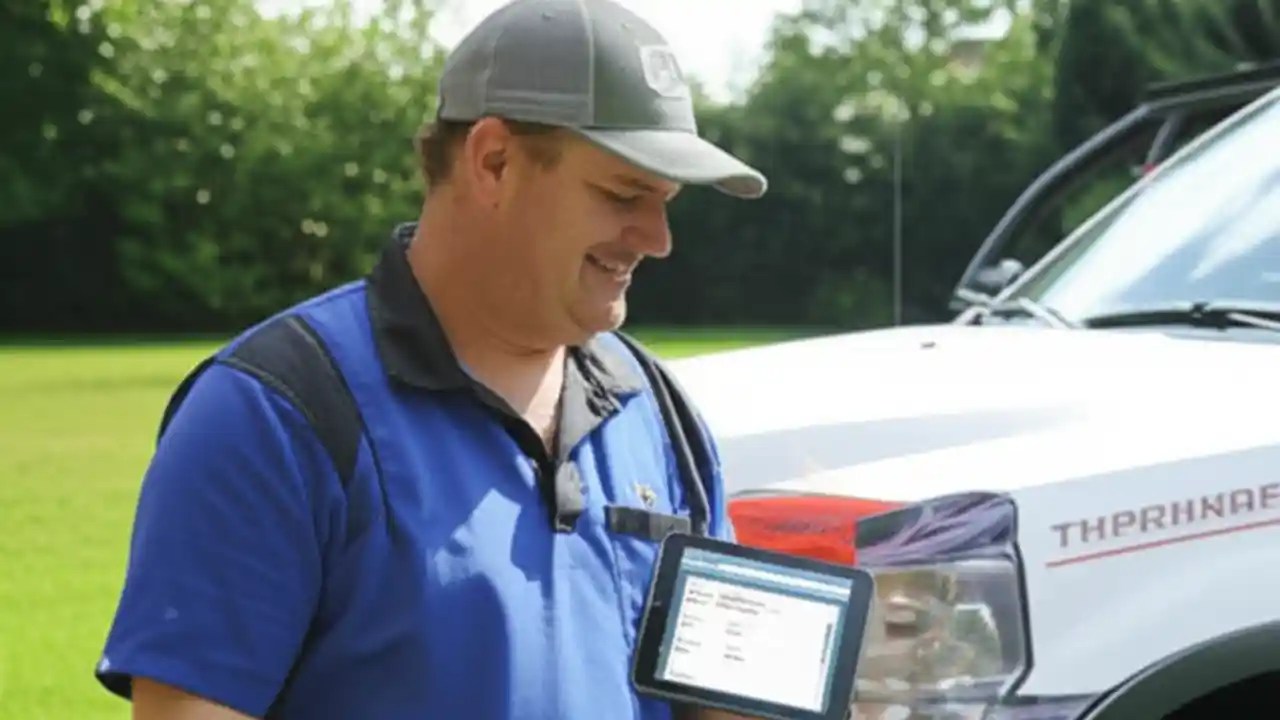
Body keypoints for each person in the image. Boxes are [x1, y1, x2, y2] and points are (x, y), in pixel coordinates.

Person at [94, 0, 768, 718]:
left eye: (665, 202)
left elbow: (717, 703)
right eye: (625, 193)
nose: (657, 238)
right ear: (494, 161)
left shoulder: (659, 413)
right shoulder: (274, 412)